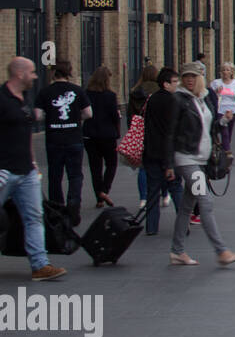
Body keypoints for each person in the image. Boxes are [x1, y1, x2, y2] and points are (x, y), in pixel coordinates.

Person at [0, 57, 67, 281]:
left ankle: (40, 265)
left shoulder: (24, 99)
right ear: (19, 74)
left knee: (34, 217)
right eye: (32, 72)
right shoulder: (2, 99)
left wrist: (33, 162)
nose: (36, 76)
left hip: (26, 171)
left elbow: (26, 132)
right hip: (4, 171)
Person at [168, 62, 235, 267]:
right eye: (186, 77)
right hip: (187, 159)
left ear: (200, 77)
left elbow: (209, 127)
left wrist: (224, 121)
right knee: (206, 202)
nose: (189, 80)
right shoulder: (178, 100)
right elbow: (170, 133)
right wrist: (168, 164)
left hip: (201, 160)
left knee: (186, 206)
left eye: (193, 76)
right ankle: (221, 251)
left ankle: (177, 251)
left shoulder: (203, 99)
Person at [35, 59, 92, 226]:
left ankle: (57, 211)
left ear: (54, 73)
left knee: (55, 176)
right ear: (69, 72)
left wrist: (50, 117)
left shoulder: (45, 92)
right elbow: (88, 113)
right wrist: (76, 118)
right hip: (74, 139)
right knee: (75, 175)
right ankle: (73, 208)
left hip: (54, 139)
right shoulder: (77, 91)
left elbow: (38, 115)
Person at [142, 67, 184, 236]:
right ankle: (183, 224)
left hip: (151, 150)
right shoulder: (173, 101)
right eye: (175, 82)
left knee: (153, 191)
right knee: (176, 189)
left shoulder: (152, 100)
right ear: (165, 84)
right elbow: (172, 131)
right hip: (168, 152)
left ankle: (151, 227)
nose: (177, 84)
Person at [83, 66, 121, 209]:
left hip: (90, 135)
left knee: (95, 168)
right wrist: (117, 131)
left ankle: (99, 197)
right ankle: (104, 190)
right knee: (111, 164)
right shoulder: (110, 95)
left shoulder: (86, 94)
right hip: (107, 135)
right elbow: (114, 116)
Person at [129, 65, 160, 207]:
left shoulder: (135, 91)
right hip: (155, 131)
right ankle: (163, 194)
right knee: (159, 165)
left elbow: (130, 116)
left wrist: (133, 130)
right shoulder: (159, 90)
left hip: (140, 131)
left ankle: (143, 198)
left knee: (142, 166)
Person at [209, 63, 235, 152]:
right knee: (224, 133)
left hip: (232, 112)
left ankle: (223, 148)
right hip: (220, 111)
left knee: (228, 135)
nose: (225, 72)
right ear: (221, 72)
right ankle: (227, 154)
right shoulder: (216, 83)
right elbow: (209, 96)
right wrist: (216, 92)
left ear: (231, 72)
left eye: (227, 70)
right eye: (223, 70)